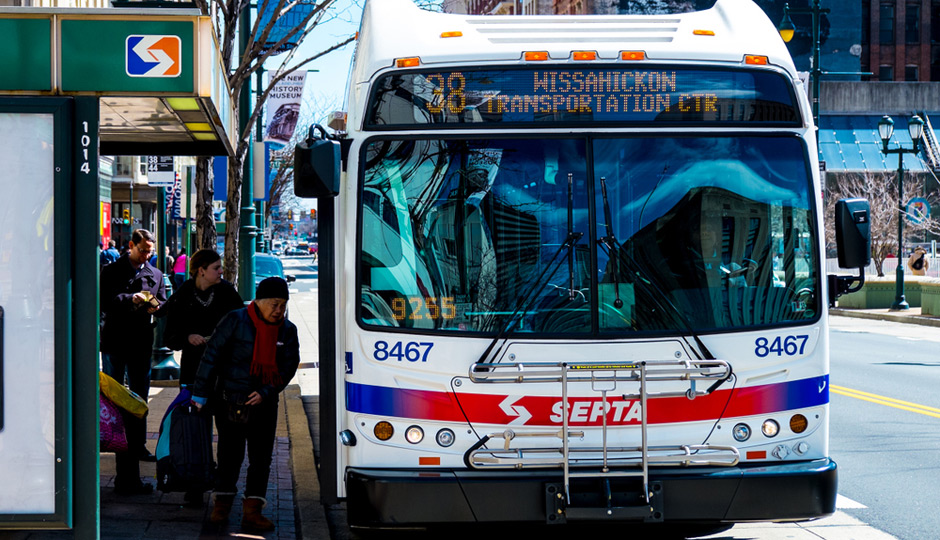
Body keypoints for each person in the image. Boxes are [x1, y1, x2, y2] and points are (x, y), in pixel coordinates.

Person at [191, 277, 300, 530]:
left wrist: (266, 390)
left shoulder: (288, 330)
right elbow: (211, 357)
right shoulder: (235, 320)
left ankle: (252, 511)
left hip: (264, 404)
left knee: (261, 459)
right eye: (274, 304)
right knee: (229, 456)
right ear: (259, 302)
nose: (279, 311)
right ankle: (222, 507)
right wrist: (200, 394)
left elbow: (288, 366)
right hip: (231, 402)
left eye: (283, 305)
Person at [163, 249, 243, 505]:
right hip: (194, 373)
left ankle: (223, 485)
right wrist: (188, 337)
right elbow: (170, 337)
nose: (221, 271)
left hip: (225, 374)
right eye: (216, 268)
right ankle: (195, 485)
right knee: (195, 429)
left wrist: (221, 341)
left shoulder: (227, 293)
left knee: (227, 431)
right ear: (201, 270)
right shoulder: (183, 294)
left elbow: (242, 327)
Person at [100, 228, 167, 495]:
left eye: (150, 251)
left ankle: (137, 445)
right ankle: (114, 440)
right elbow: (105, 300)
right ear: (131, 245)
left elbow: (162, 303)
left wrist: (155, 306)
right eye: (143, 250)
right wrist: (132, 298)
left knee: (140, 397)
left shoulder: (156, 274)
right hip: (116, 341)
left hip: (140, 344)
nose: (147, 255)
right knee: (115, 396)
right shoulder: (112, 271)